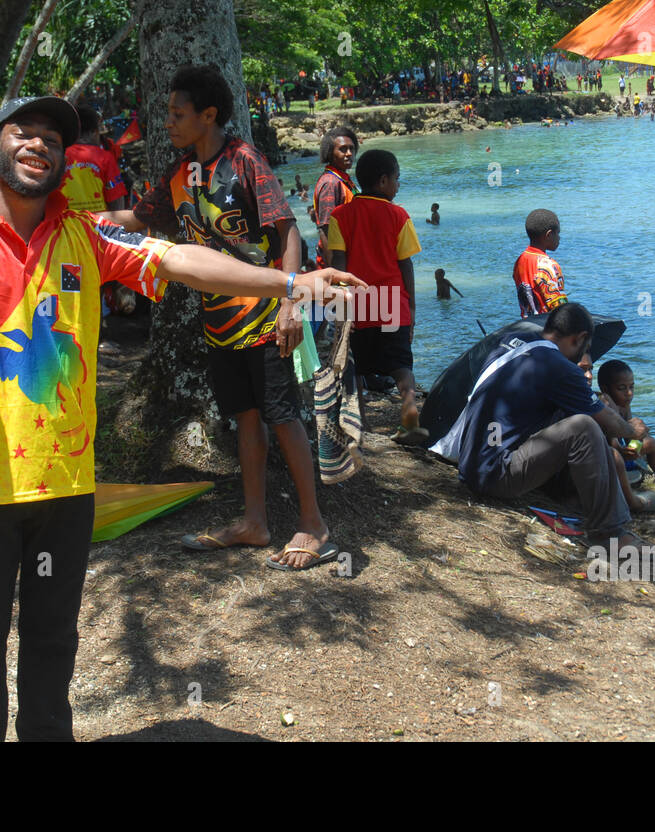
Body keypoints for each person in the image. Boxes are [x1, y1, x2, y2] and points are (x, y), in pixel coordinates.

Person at [0, 95, 362, 740]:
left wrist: (287, 283)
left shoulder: (87, 235)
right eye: (23, 133)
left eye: (52, 138)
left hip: (66, 489)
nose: (39, 144)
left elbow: (180, 260)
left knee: (51, 653)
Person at [114, 65, 341, 572]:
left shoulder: (244, 161)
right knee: (245, 417)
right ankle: (254, 523)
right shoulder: (179, 172)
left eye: (177, 114)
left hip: (267, 316)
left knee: (283, 416)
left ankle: (314, 524)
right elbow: (142, 219)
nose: (167, 123)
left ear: (208, 115)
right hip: (218, 321)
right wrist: (88, 223)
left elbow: (288, 231)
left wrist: (290, 304)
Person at [443, 302, 640, 547]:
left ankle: (575, 496)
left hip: (473, 462)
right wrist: (633, 430)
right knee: (584, 426)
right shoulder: (559, 367)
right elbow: (611, 424)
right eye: (585, 348)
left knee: (568, 412)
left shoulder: (512, 340)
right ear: (579, 339)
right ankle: (610, 533)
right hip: (495, 474)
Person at [326, 148, 424, 443]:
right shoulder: (399, 215)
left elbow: (338, 265)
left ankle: (359, 427)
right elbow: (405, 264)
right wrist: (412, 307)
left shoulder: (340, 216)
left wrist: (339, 308)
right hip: (393, 303)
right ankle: (410, 422)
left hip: (357, 305)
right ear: (383, 181)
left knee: (355, 368)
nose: (397, 185)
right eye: (396, 179)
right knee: (401, 368)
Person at [597, 359, 655, 482]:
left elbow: (630, 436)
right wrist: (624, 451)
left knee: (650, 442)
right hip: (610, 459)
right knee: (651, 443)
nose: (629, 393)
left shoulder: (624, 406)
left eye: (631, 387)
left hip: (622, 455)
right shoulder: (606, 405)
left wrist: (638, 440)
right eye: (622, 388)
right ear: (606, 389)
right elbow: (612, 440)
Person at [61, 104, 126, 213]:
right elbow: (117, 201)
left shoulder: (60, 156)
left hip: (67, 226)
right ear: (94, 132)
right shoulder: (105, 158)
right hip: (98, 226)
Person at [310, 125, 358, 268]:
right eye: (343, 149)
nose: (349, 153)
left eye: (352, 148)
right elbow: (326, 229)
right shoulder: (331, 183)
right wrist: (336, 273)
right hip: (337, 261)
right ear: (330, 153)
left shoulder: (343, 179)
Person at [513, 208, 566, 317]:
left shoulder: (520, 261)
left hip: (528, 326)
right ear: (549, 235)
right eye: (558, 233)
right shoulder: (549, 266)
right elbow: (560, 309)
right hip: (546, 328)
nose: (559, 238)